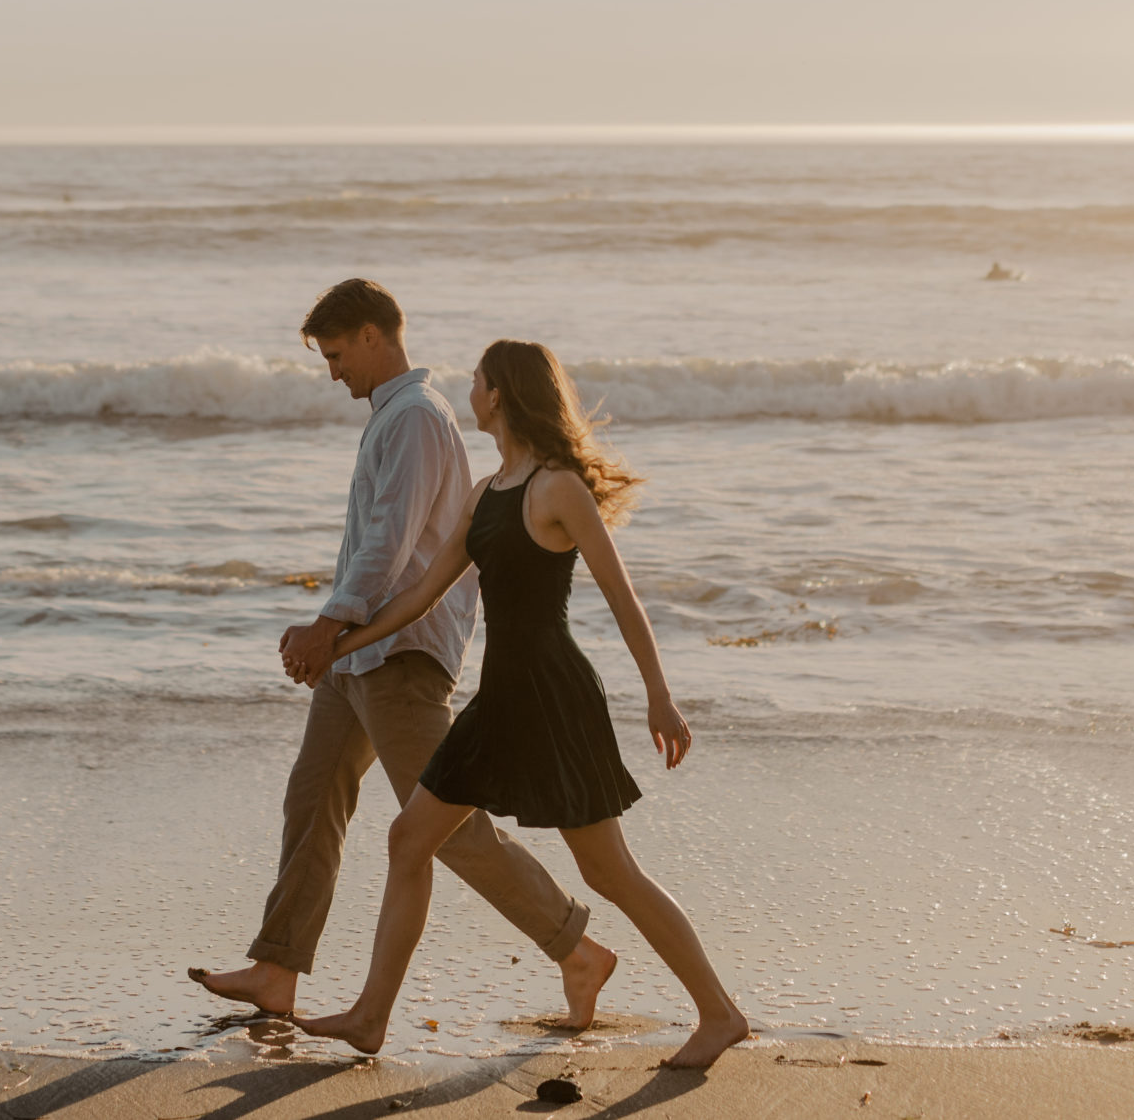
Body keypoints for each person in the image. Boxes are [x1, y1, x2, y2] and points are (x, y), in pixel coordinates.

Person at [288, 338, 748, 1068]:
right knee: (410, 839)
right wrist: (335, 646)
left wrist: (660, 697)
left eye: (476, 380)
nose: (468, 389)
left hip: (554, 698)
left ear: (499, 394)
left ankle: (720, 1012)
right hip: (499, 700)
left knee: (609, 870)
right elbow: (418, 596)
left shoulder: (558, 488)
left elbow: (623, 598)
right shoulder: (488, 491)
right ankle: (372, 1016)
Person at [188, 282, 619, 1028]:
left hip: (402, 656)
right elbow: (377, 542)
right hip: (359, 656)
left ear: (371, 335)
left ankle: (576, 945)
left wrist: (330, 623)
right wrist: (338, 639)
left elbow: (390, 543)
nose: (332, 372)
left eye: (335, 354)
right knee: (313, 799)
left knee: (447, 830)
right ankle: (276, 969)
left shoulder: (416, 418)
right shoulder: (395, 416)